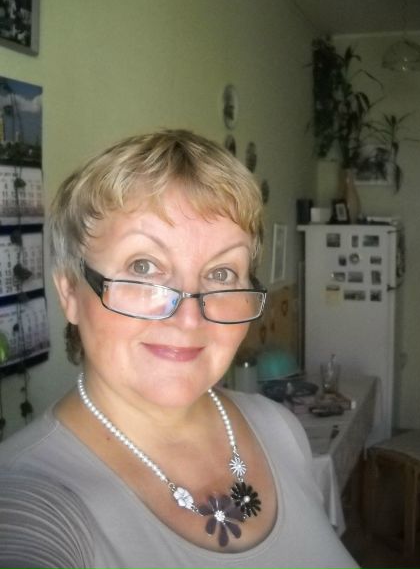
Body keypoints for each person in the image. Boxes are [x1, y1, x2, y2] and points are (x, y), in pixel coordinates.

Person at [0, 129, 358, 568]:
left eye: (222, 274)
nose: (189, 319)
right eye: (143, 266)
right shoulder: (26, 498)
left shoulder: (280, 428)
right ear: (70, 293)